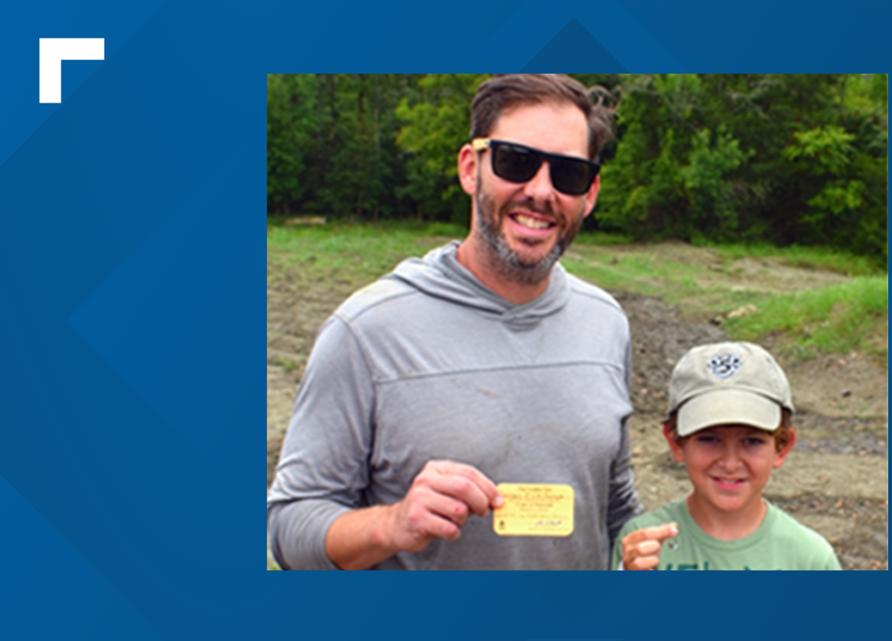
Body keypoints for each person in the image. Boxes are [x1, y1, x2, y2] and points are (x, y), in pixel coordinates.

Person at [268, 74, 642, 570]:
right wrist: (391, 524)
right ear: (471, 168)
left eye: (568, 174)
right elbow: (289, 526)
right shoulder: (366, 331)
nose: (541, 190)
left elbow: (615, 506)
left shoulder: (606, 323)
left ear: (589, 193)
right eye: (516, 161)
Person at [613, 341, 840, 570]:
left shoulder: (810, 559)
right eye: (709, 439)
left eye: (752, 441)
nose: (730, 463)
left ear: (782, 447)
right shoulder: (643, 548)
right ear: (676, 442)